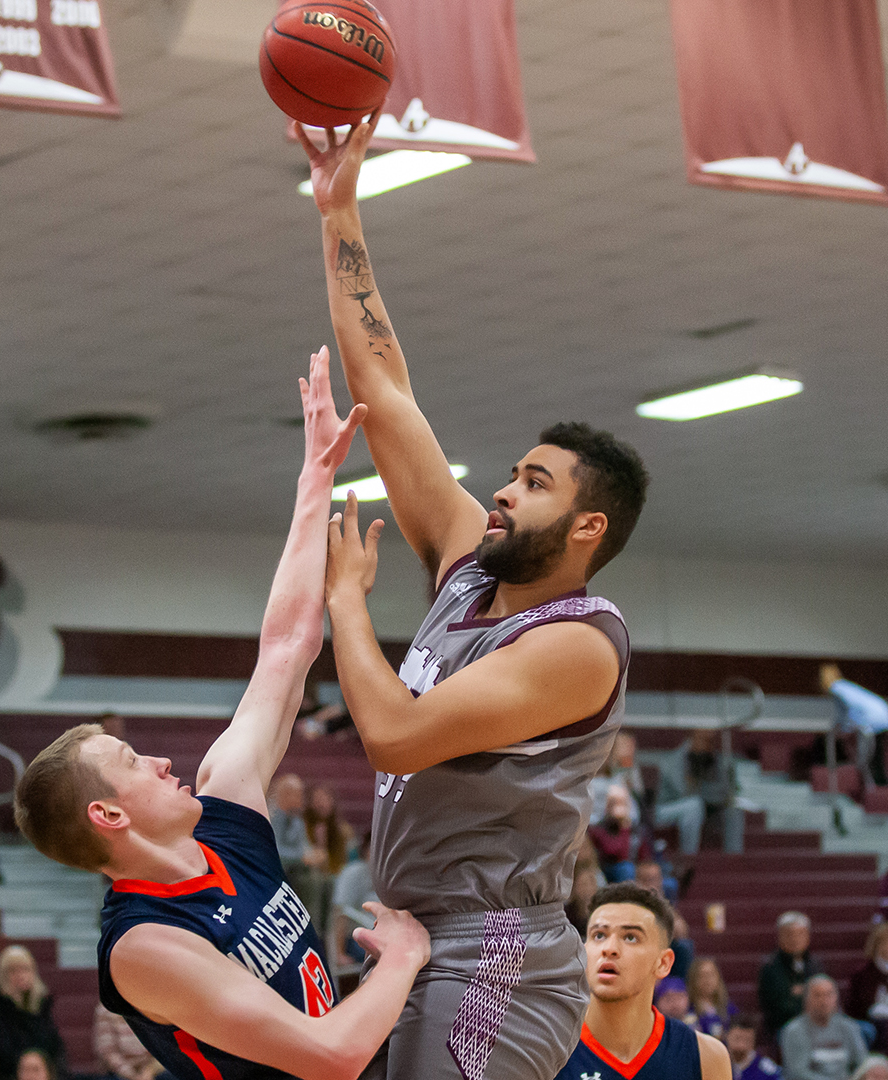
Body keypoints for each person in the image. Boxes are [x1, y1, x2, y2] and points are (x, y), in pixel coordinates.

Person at [306, 117, 650, 1080]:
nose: (502, 490)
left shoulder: (581, 643)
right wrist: (339, 208)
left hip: (496, 951)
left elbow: (394, 737)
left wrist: (345, 605)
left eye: (535, 484)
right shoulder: (470, 564)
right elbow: (381, 382)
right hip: (415, 931)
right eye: (511, 474)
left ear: (588, 530)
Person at [10, 351, 431, 1080]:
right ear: (110, 816)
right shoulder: (145, 946)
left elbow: (286, 651)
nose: (161, 761)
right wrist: (403, 960)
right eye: (132, 763)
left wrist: (314, 479)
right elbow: (331, 1057)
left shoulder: (225, 812)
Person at [554, 883, 729, 1080]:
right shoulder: (547, 1051)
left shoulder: (706, 1056)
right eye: (599, 935)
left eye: (630, 937)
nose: (609, 948)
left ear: (663, 963)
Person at [0, 946, 65, 1080]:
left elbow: (53, 1044)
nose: (20, 975)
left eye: (25, 969)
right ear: (3, 975)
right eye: (13, 971)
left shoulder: (42, 1004)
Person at [656, 728, 738, 856]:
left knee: (733, 810)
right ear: (693, 738)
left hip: (706, 805)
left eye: (712, 742)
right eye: (705, 740)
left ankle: (734, 859)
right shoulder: (673, 761)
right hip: (668, 808)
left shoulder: (715, 759)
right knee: (694, 805)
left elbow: (725, 793)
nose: (709, 746)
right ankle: (690, 857)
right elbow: (683, 793)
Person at [780, 976, 868, 1080]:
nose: (824, 1001)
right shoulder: (794, 1031)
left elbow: (863, 1064)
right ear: (806, 1000)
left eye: (829, 994)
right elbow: (798, 1073)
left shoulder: (848, 1027)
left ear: (836, 998)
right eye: (817, 995)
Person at [270, 774, 328, 932]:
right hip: (276, 872)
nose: (302, 798)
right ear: (286, 794)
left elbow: (303, 847)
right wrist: (303, 858)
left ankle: (318, 931)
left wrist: (315, 853)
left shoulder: (297, 819)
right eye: (298, 794)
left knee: (327, 881)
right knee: (312, 881)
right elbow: (274, 850)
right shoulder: (271, 816)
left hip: (294, 870)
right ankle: (309, 928)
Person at [821, 664, 888, 788]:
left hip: (873, 721)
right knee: (875, 758)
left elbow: (849, 709)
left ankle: (876, 791)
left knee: (869, 760)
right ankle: (879, 788)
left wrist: (845, 728)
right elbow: (843, 713)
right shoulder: (845, 686)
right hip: (883, 717)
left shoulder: (837, 689)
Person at [326, 835, 379, 989]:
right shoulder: (353, 873)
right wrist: (338, 954)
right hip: (357, 940)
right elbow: (339, 913)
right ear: (366, 850)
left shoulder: (388, 875)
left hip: (380, 935)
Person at [762, 913, 827, 1038]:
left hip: (817, 1021)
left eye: (800, 934)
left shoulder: (815, 964)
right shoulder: (770, 966)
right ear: (780, 936)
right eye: (790, 934)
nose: (795, 939)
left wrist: (801, 992)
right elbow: (777, 1004)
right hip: (784, 1025)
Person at [849, 924, 888, 1045]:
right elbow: (859, 1007)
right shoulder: (863, 973)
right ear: (876, 945)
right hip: (871, 1021)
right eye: (884, 942)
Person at [94, 1002, 164, 1080]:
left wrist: (149, 1071)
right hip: (121, 1070)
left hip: (154, 1069)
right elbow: (108, 1052)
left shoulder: (152, 1004)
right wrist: (132, 1075)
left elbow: (165, 1048)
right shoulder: (106, 1009)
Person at [589, 786, 643, 883]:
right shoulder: (599, 828)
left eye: (622, 803)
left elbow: (645, 855)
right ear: (607, 806)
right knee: (626, 869)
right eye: (614, 803)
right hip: (607, 870)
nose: (618, 808)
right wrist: (623, 827)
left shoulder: (636, 828)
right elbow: (613, 852)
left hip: (635, 870)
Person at [690, 957, 737, 1039]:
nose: (707, 980)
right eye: (702, 975)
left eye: (711, 975)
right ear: (694, 979)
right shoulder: (688, 1008)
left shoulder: (729, 1008)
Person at [728, 1014, 786, 1080]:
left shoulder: (766, 1070)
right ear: (727, 1036)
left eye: (747, 1040)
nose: (741, 1045)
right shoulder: (718, 1064)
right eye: (737, 1039)